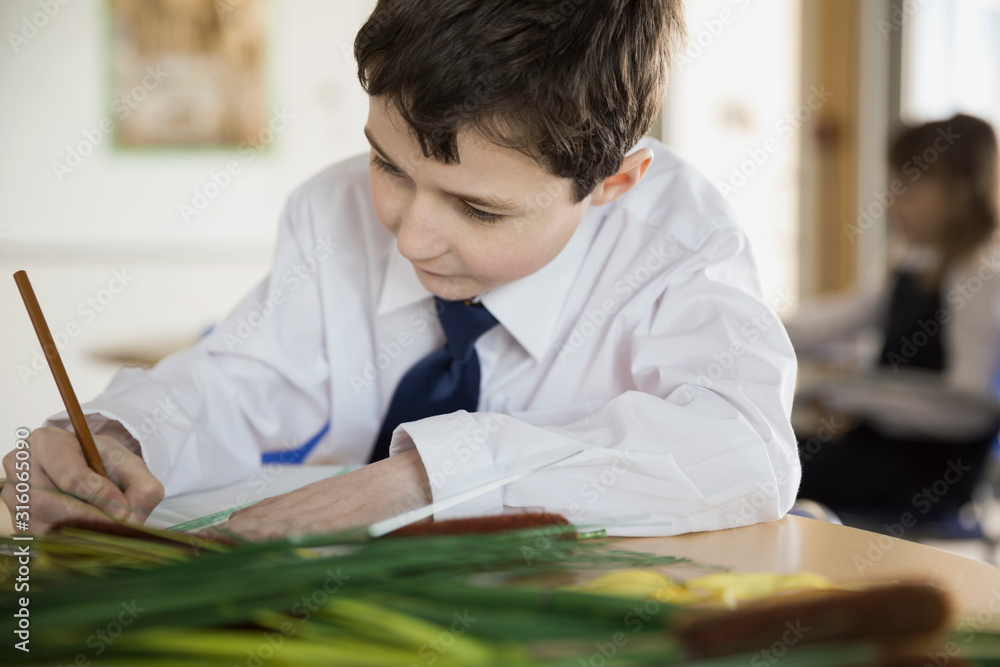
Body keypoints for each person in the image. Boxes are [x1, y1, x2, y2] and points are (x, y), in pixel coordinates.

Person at [3, 0, 799, 540]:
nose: (411, 236)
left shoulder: (676, 240)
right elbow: (242, 373)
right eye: (387, 164)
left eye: (478, 210)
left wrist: (425, 481)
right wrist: (114, 434)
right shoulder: (332, 210)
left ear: (611, 184)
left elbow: (744, 447)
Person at [786, 113, 1000, 520]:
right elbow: (829, 322)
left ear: (961, 194)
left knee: (773, 465)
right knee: (771, 452)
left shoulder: (982, 277)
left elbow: (971, 406)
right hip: (881, 451)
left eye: (909, 188)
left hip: (926, 473)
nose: (892, 200)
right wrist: (746, 324)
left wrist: (858, 394)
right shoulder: (916, 263)